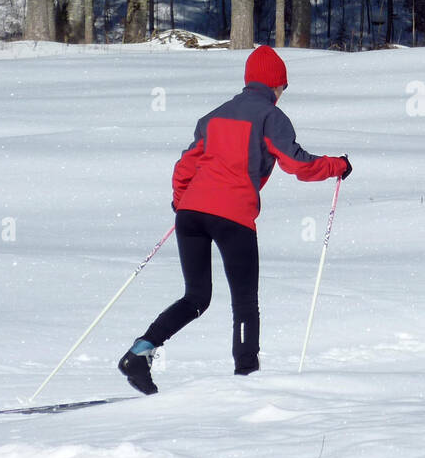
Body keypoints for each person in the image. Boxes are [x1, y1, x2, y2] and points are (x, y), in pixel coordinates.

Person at [118, 45, 350, 394]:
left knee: (196, 297)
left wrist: (184, 203)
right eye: (283, 87)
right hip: (233, 216)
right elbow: (297, 163)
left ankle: (140, 351)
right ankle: (246, 378)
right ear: (276, 85)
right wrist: (338, 165)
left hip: (191, 215)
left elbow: (185, 167)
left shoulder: (214, 116)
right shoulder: (271, 117)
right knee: (244, 301)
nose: (283, 93)